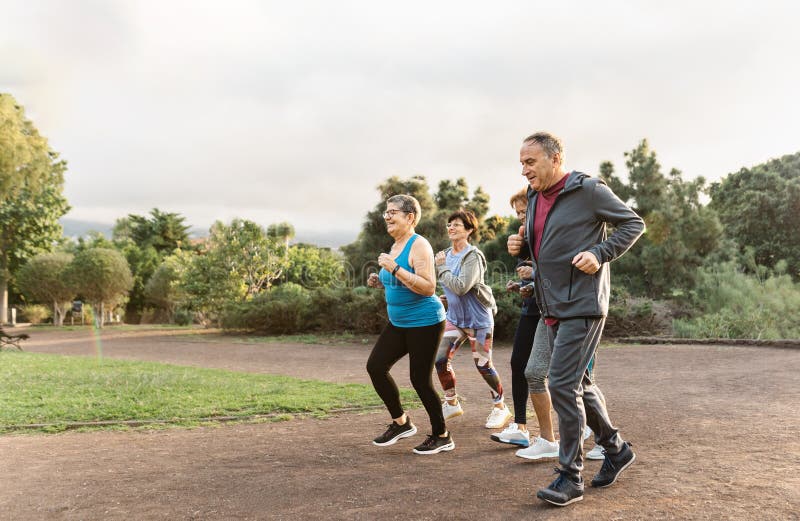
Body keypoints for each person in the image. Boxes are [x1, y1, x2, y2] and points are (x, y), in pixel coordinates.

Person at [508, 131, 645, 506]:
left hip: (583, 303)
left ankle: (570, 477)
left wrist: (600, 253)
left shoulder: (588, 190)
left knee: (562, 383)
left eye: (530, 162)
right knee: (579, 383)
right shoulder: (535, 197)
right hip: (551, 304)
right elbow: (544, 249)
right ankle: (616, 449)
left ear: (555, 158)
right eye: (521, 163)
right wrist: (522, 250)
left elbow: (633, 224)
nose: (524, 170)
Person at [366, 194, 455, 455]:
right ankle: (402, 423)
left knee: (419, 380)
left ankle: (442, 435)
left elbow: (428, 288)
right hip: (399, 322)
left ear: (410, 217)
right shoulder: (395, 245)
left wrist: (393, 270)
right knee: (376, 367)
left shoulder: (419, 245)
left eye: (393, 212)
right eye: (386, 212)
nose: (387, 217)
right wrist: (380, 280)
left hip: (425, 322)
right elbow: (403, 280)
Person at [489, 189, 558, 459]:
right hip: (532, 308)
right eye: (517, 212)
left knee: (556, 375)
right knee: (519, 363)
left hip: (554, 311)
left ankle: (589, 430)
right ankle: (520, 427)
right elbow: (534, 276)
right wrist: (523, 285)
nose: (520, 216)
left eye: (524, 211)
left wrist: (534, 276)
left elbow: (558, 270)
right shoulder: (523, 238)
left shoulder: (548, 232)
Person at [433, 209, 512, 430]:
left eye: (457, 225)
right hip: (456, 319)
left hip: (479, 320)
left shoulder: (473, 256)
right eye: (449, 224)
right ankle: (451, 403)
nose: (451, 227)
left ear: (469, 230)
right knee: (440, 360)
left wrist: (442, 269)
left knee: (483, 365)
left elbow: (460, 287)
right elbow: (449, 287)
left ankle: (500, 407)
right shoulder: (445, 255)